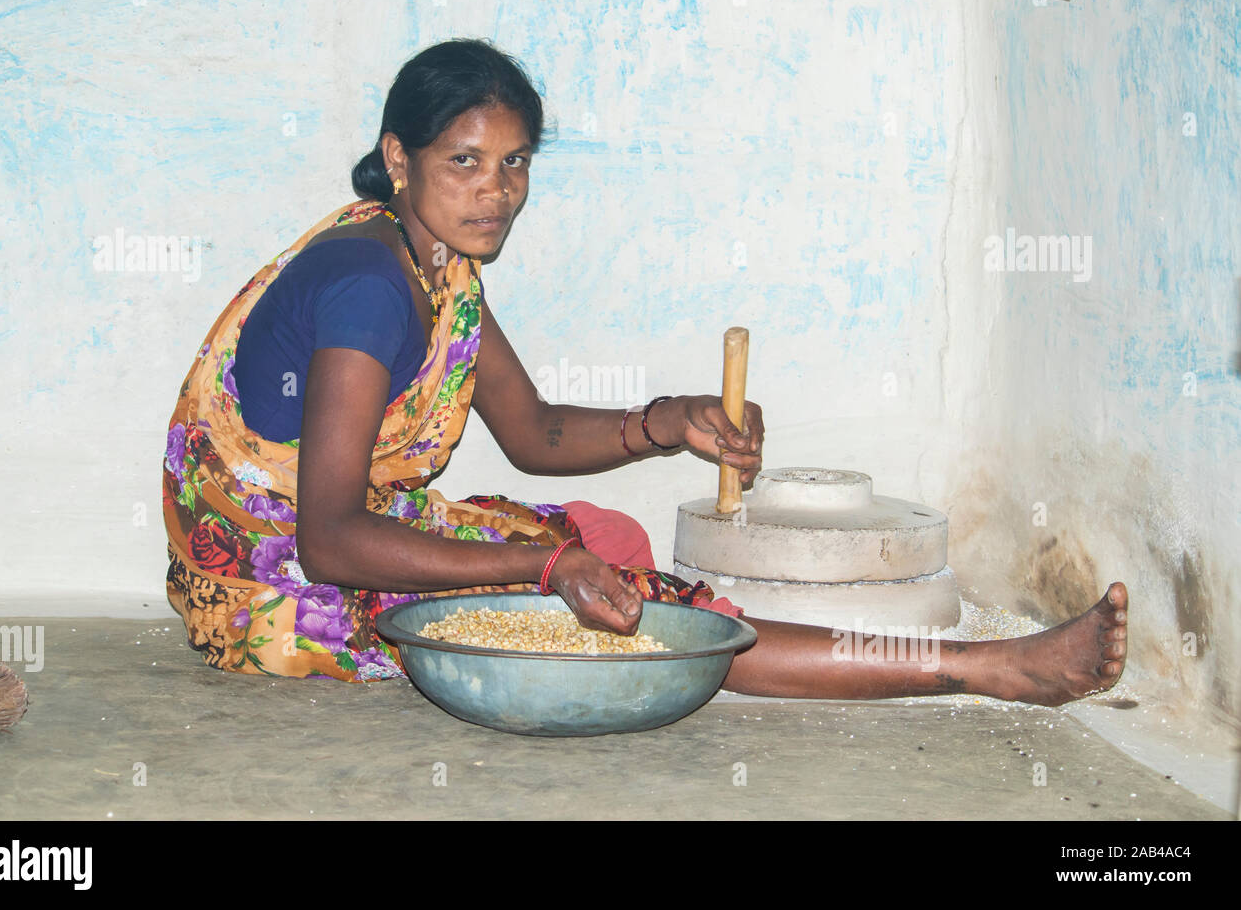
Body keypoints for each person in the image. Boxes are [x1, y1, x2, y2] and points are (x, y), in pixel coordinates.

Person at [162, 38, 1128, 705]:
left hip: (315, 547)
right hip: (280, 588)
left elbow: (533, 432)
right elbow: (329, 539)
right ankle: (988, 668)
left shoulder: (429, 264)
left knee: (602, 546)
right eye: (465, 161)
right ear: (398, 158)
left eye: (515, 163)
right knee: (654, 616)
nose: (497, 191)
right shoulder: (370, 282)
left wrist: (668, 420)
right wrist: (544, 567)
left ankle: (965, 663)